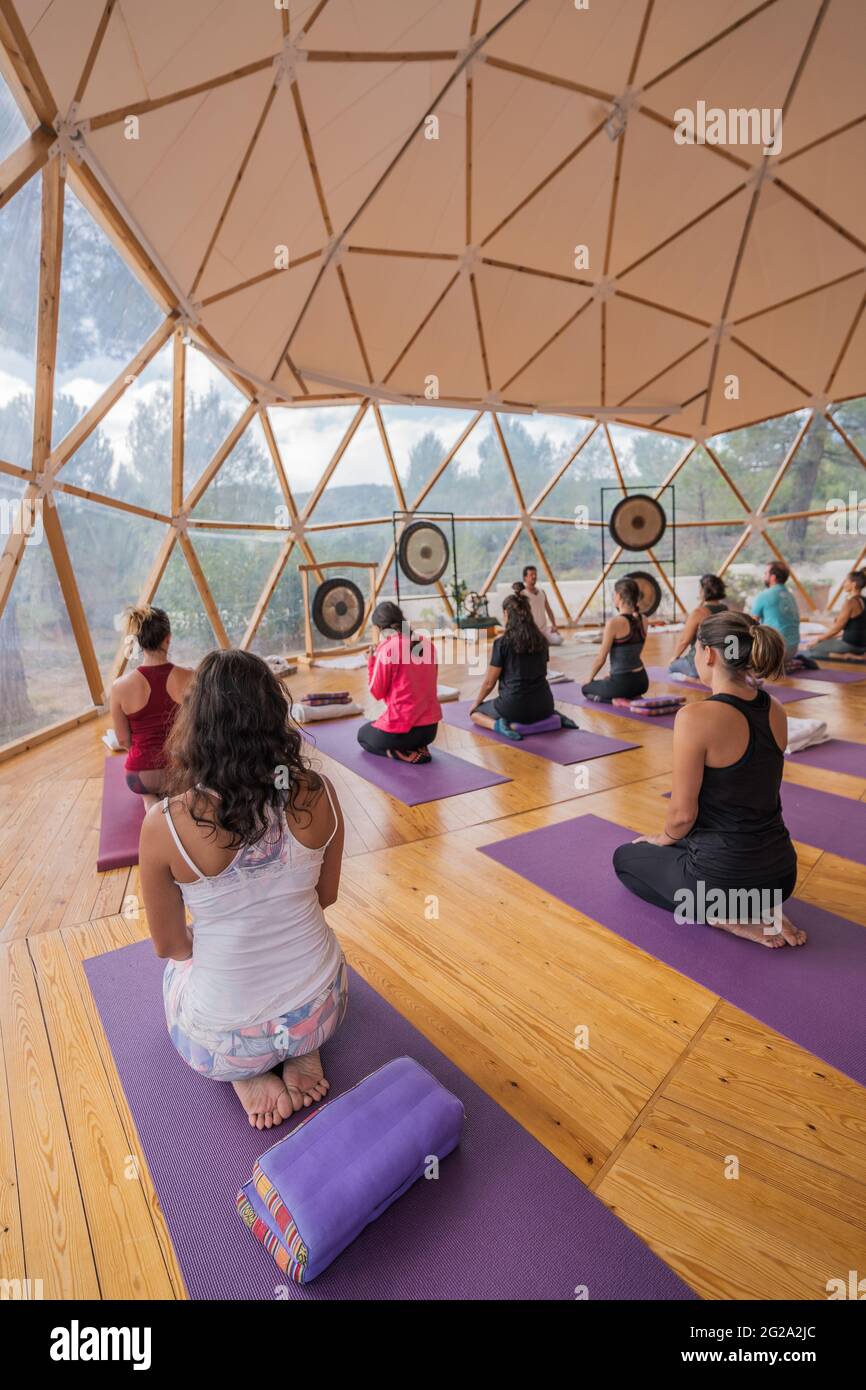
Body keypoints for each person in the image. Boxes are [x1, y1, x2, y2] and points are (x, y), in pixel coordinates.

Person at [138, 649, 347, 1130]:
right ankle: (302, 1047)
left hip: (223, 1038)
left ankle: (245, 1068)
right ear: (275, 716)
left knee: (178, 969)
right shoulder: (319, 792)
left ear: (197, 727)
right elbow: (325, 898)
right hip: (325, 1005)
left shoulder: (164, 823)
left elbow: (171, 945)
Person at [612, 611, 804, 949]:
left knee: (626, 858)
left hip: (724, 880)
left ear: (709, 654)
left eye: (695, 651)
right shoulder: (775, 708)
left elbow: (682, 816)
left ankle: (723, 913)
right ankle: (757, 907)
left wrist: (663, 838)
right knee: (687, 844)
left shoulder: (695, 718)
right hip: (781, 875)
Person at [110, 606, 194, 810]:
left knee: (150, 799)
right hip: (181, 770)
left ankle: (151, 805)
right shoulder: (191, 677)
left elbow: (123, 740)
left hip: (140, 775)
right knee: (182, 796)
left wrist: (147, 754)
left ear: (139, 641)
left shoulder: (120, 686)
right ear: (168, 638)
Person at [470, 591, 577, 740]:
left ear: (506, 614)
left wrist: (475, 703)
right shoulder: (541, 639)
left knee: (476, 714)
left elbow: (489, 683)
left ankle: (498, 726)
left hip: (514, 709)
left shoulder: (502, 643)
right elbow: (542, 671)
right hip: (545, 705)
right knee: (533, 702)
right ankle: (557, 717)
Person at [357, 601, 441, 763]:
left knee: (363, 735)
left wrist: (371, 661)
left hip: (403, 731)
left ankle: (404, 754)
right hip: (431, 730)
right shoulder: (427, 644)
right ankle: (419, 747)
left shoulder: (388, 647)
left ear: (380, 628)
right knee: (377, 724)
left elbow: (377, 692)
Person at [582, 577, 649, 702]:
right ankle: (630, 696)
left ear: (618, 596)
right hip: (642, 682)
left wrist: (589, 678)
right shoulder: (644, 619)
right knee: (608, 682)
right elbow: (631, 654)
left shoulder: (614, 623)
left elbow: (601, 657)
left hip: (622, 684)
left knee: (585, 689)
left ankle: (616, 701)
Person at [668, 574, 730, 679]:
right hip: (719, 664)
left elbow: (684, 641)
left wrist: (674, 657)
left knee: (671, 668)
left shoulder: (698, 613)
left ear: (703, 590)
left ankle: (692, 677)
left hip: (698, 664)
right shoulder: (725, 609)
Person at [803, 570, 866, 658]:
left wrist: (817, 640)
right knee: (826, 641)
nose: (843, 584)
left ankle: (848, 656)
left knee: (813, 649)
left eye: (846, 581)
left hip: (851, 645)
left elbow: (837, 628)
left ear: (854, 584)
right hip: (863, 646)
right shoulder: (863, 600)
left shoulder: (850, 602)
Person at [750, 561, 800, 658]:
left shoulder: (764, 595)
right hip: (793, 650)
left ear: (773, 577)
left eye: (765, 573)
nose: (764, 576)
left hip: (776, 652)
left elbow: (751, 624)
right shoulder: (790, 595)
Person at [519, 565, 563, 645]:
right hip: (531, 630)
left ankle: (542, 640)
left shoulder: (542, 592)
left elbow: (549, 610)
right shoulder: (522, 594)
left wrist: (554, 625)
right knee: (531, 643)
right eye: (531, 575)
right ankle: (540, 641)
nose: (534, 576)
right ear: (525, 578)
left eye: (535, 574)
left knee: (559, 639)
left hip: (544, 629)